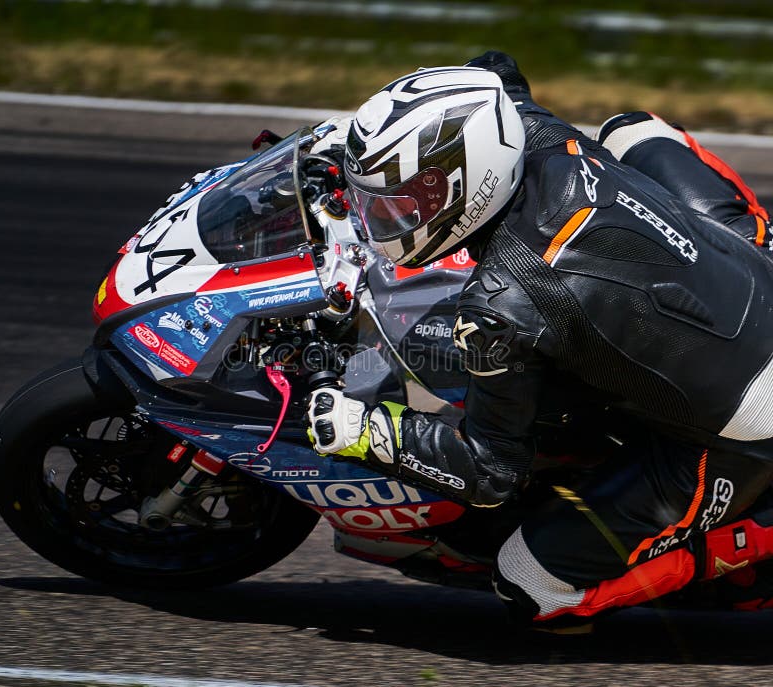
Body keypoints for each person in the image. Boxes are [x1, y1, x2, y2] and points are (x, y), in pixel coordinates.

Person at [306, 51, 773, 625]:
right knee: (631, 131)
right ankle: (757, 234)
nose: (381, 218)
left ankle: (750, 536)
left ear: (465, 186)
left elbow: (491, 471)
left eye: (399, 203)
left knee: (527, 583)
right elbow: (496, 69)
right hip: (749, 274)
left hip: (740, 432)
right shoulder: (531, 129)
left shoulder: (502, 307)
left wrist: (365, 433)